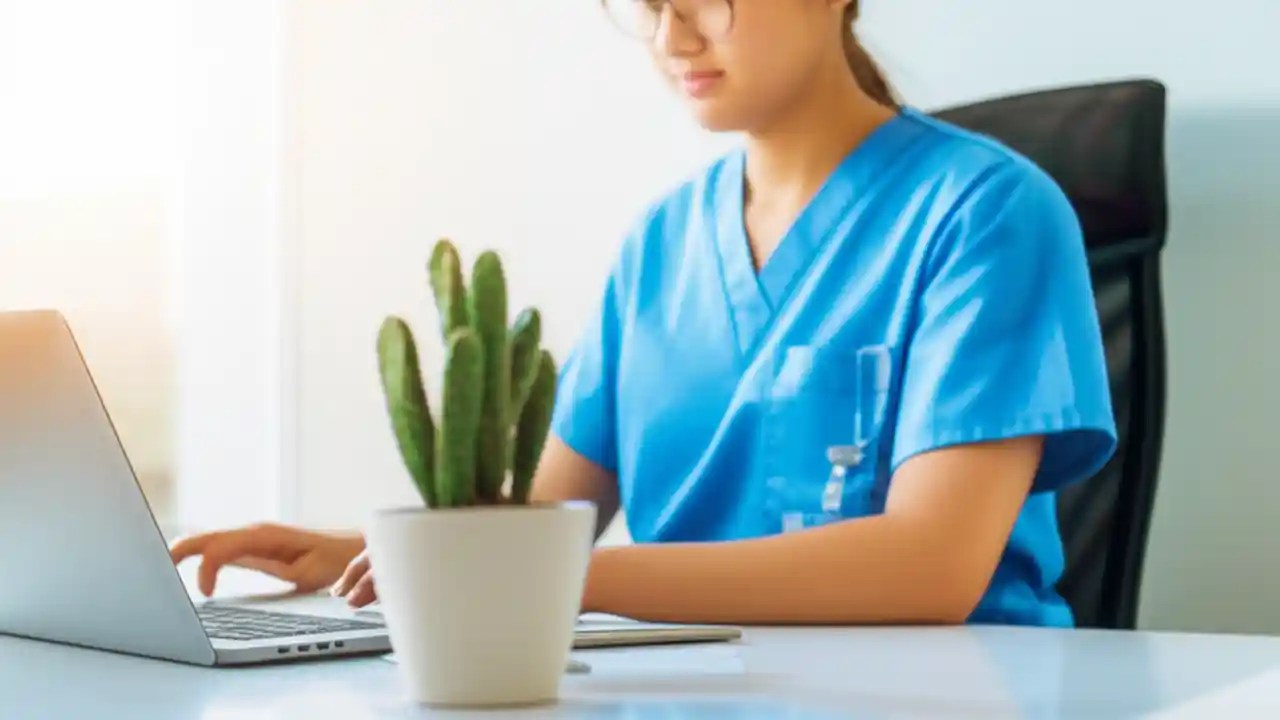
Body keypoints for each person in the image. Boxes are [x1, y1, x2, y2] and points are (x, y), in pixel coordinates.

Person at [171, 0, 1117, 628]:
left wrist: (548, 579)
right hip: (697, 688)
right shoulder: (661, 246)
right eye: (651, 2)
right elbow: (544, 521)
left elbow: (930, 568)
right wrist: (372, 551)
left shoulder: (988, 213)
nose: (672, 37)